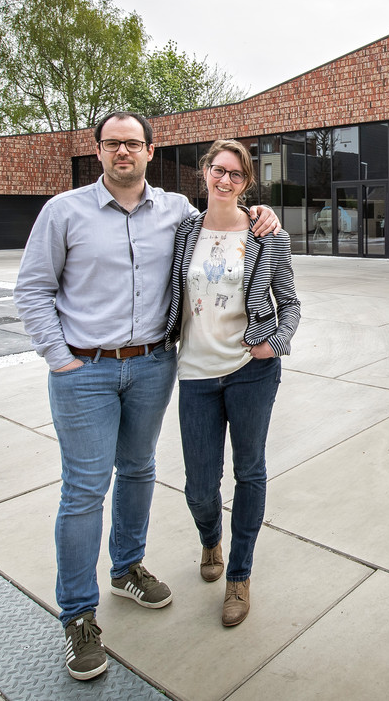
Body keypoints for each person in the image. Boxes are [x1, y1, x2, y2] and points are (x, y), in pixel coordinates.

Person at [14, 113, 280, 681]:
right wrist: (59, 357)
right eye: (113, 143)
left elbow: (227, 222)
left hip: (155, 364)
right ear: (99, 151)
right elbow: (33, 288)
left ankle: (128, 567)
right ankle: (79, 616)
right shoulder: (63, 212)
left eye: (133, 143)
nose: (123, 152)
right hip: (84, 369)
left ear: (151, 151)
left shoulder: (176, 214)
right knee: (84, 488)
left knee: (138, 471)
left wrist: (263, 214)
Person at [163, 138, 300, 627]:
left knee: (250, 472)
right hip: (196, 374)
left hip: (251, 372)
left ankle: (239, 576)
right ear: (205, 173)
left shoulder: (269, 237)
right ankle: (209, 539)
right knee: (200, 487)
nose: (225, 180)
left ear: (247, 183)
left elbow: (292, 305)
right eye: (218, 170)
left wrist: (274, 343)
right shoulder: (182, 231)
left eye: (236, 175)